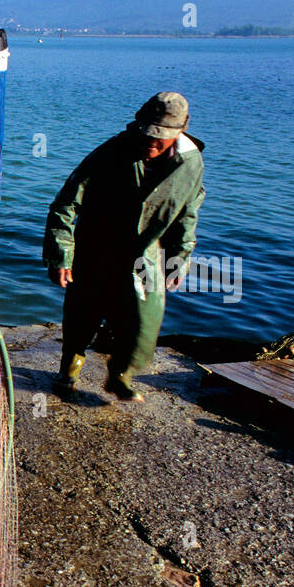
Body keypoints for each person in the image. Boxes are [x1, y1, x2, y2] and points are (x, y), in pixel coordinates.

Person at [43, 92, 206, 402]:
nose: (151, 142)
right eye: (146, 133)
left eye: (161, 138)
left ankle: (120, 375)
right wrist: (61, 255)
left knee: (143, 322)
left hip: (146, 254)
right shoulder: (109, 152)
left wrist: (179, 257)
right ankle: (69, 369)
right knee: (82, 315)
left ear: (180, 133)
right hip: (96, 247)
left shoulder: (192, 163)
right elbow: (65, 204)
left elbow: (188, 214)